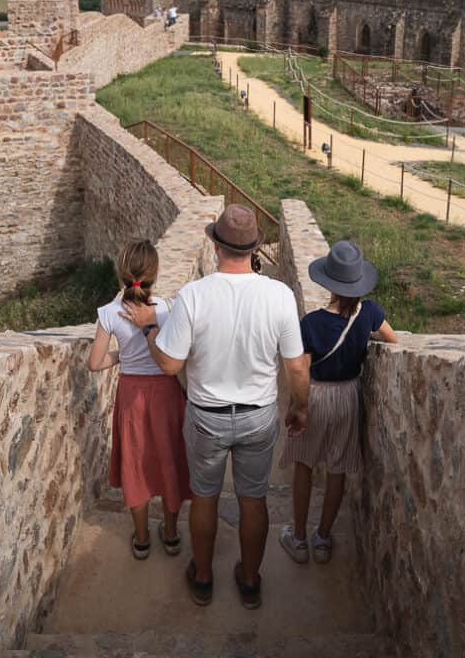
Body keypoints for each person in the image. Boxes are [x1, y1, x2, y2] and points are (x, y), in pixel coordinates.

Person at [122, 204, 310, 610]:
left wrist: (150, 329)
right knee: (253, 499)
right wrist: (299, 407)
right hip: (259, 415)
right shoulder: (279, 296)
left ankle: (204, 579)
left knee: (205, 498)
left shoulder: (193, 296)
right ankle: (249, 582)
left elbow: (171, 364)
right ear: (255, 247)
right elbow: (296, 367)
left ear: (215, 245)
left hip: (207, 416)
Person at [278, 240, 396, 564]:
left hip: (315, 395)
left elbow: (299, 369)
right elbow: (393, 339)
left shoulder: (312, 323)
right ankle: (324, 537)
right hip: (347, 395)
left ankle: (299, 539)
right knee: (337, 468)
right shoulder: (369, 313)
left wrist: (297, 406)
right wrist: (364, 336)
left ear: (328, 282)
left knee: (304, 464)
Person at [87, 239, 191, 561]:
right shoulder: (167, 308)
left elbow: (94, 363)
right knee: (169, 459)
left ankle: (142, 539)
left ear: (121, 273)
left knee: (136, 463)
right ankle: (171, 535)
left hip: (132, 395)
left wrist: (122, 357)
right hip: (166, 394)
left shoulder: (109, 313)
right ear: (155, 274)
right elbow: (177, 355)